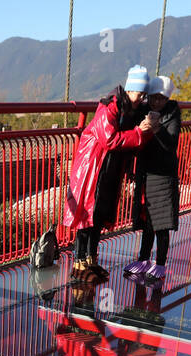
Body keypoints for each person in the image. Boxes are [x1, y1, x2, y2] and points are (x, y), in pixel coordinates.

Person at [61, 64, 157, 281]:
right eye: (138, 93)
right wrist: (139, 132)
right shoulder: (109, 106)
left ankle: (91, 261)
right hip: (92, 167)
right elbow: (110, 139)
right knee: (86, 214)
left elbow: (133, 141)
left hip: (109, 168)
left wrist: (147, 131)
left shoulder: (132, 110)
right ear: (129, 89)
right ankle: (79, 264)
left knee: (100, 213)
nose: (140, 98)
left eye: (143, 94)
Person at [123, 74, 181, 283]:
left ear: (167, 98)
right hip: (146, 172)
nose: (157, 102)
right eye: (153, 97)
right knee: (146, 217)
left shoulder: (172, 112)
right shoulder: (142, 110)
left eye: (161, 98)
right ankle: (143, 258)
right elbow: (131, 134)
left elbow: (171, 143)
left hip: (164, 174)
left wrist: (156, 128)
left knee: (161, 221)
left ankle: (161, 263)